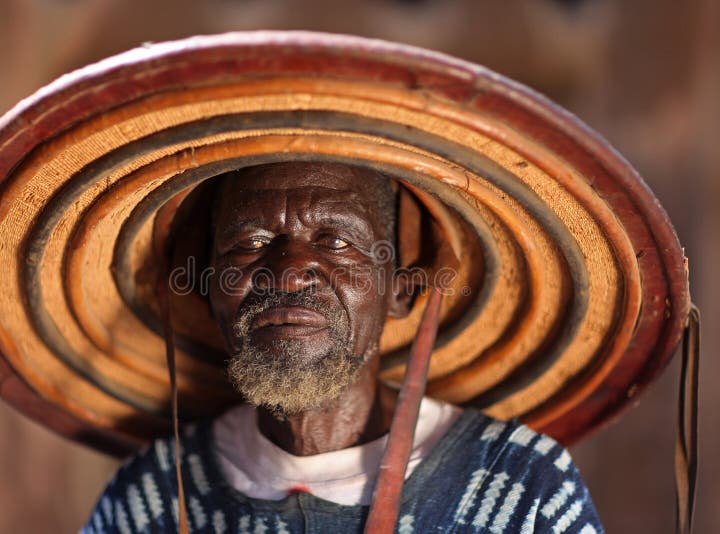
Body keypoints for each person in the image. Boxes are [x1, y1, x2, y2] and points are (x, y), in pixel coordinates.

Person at [80, 162, 604, 533]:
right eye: (250, 243)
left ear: (400, 292)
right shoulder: (147, 502)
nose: (286, 272)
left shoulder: (523, 489)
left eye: (337, 241)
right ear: (209, 286)